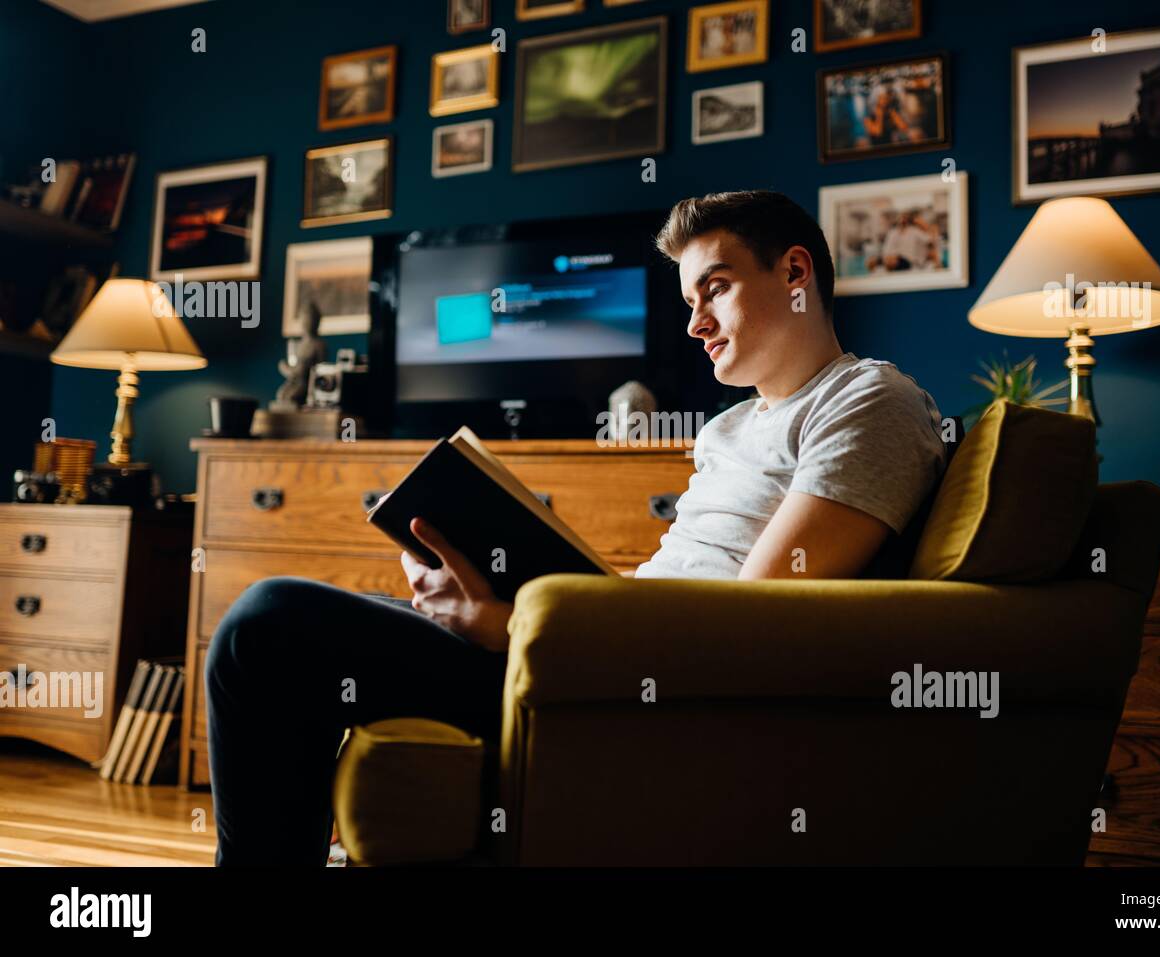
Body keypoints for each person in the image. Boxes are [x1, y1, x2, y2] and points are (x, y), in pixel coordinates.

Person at [205, 189, 947, 865]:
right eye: (689, 300)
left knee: (268, 624)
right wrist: (507, 599)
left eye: (716, 288)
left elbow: (754, 626)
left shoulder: (868, 399)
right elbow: (671, 588)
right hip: (604, 653)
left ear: (795, 272)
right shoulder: (726, 429)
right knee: (327, 622)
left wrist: (514, 628)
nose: (695, 323)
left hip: (641, 697)